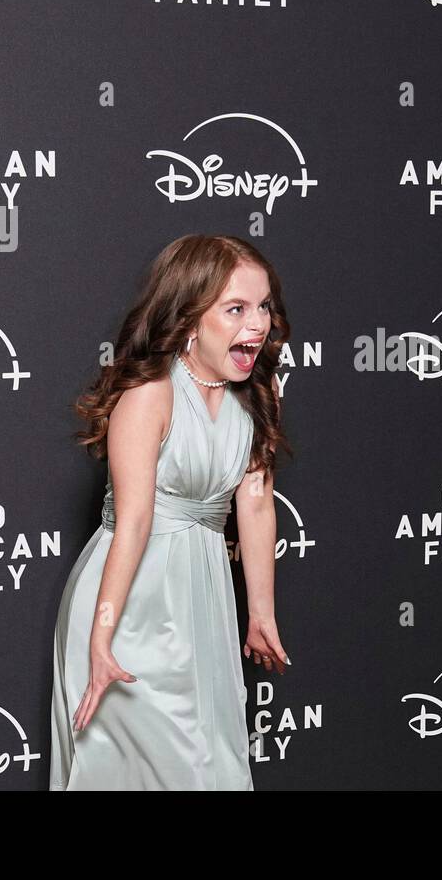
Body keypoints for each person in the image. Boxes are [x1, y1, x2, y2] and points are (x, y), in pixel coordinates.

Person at [50, 233, 292, 790]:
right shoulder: (149, 396)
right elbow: (133, 520)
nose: (256, 325)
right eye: (235, 309)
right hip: (130, 603)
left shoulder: (257, 394)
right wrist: (101, 638)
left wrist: (260, 614)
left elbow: (255, 502)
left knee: (208, 766)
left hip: (200, 599)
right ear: (188, 318)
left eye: (263, 307)